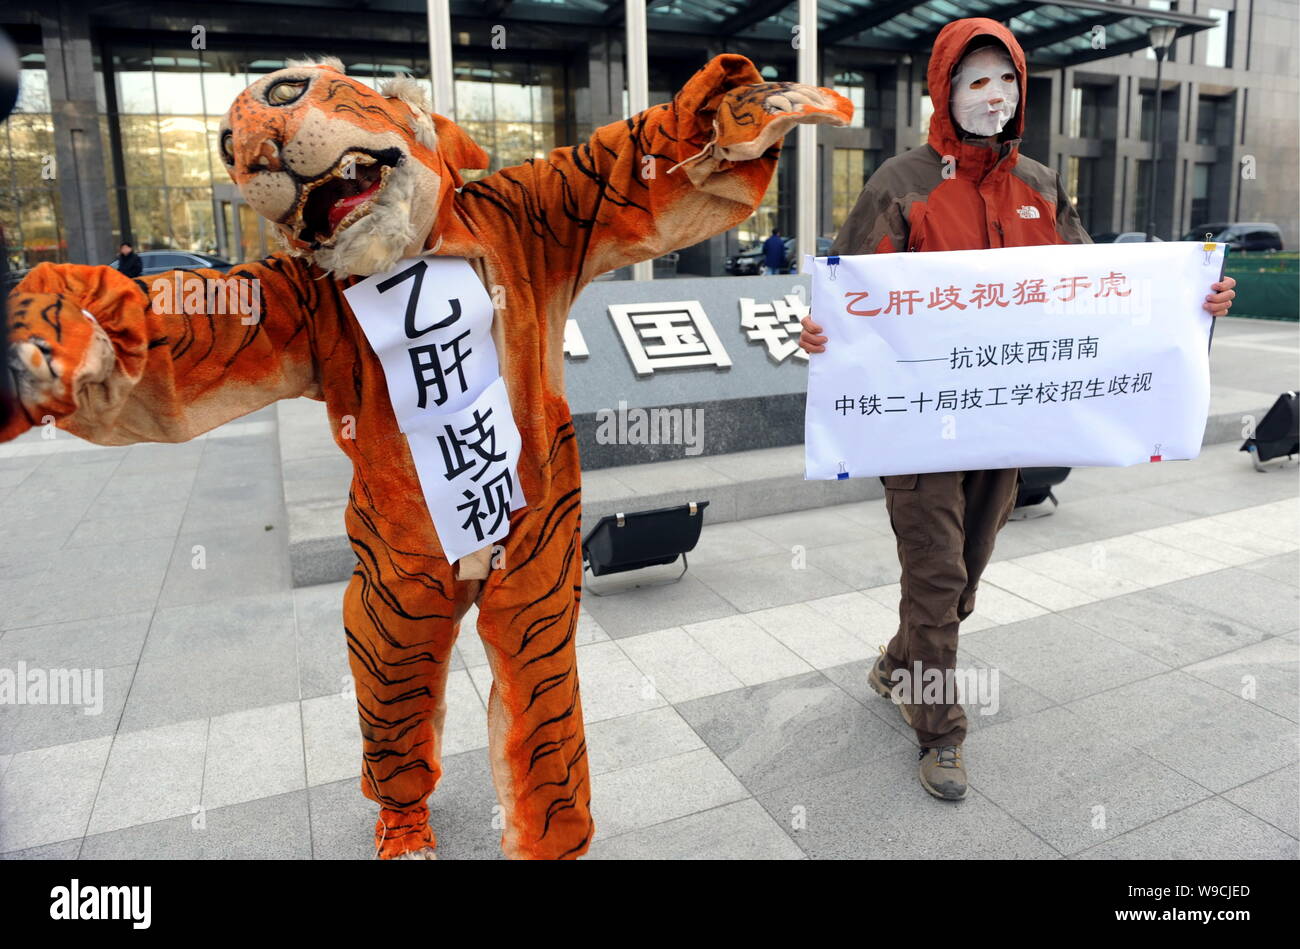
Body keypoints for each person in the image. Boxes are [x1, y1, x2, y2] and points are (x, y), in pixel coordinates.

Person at [3, 55, 851, 859]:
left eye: (345, 175)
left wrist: (710, 131)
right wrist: (72, 332)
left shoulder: (518, 215)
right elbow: (195, 317)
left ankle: (551, 842)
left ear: (404, 125)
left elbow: (615, 173)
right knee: (391, 676)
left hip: (530, 510)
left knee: (544, 686)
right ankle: (402, 807)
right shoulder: (310, 290)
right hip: (403, 530)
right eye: (305, 202)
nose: (323, 203)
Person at [799, 17, 1237, 803]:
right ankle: (940, 731)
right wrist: (819, 331)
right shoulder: (900, 184)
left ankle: (899, 661)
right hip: (918, 425)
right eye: (976, 80)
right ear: (945, 91)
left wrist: (1191, 302)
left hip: (1003, 421)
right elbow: (848, 292)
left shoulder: (1038, 183)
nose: (993, 95)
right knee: (936, 571)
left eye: (1007, 79)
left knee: (964, 575)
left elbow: (1101, 290)